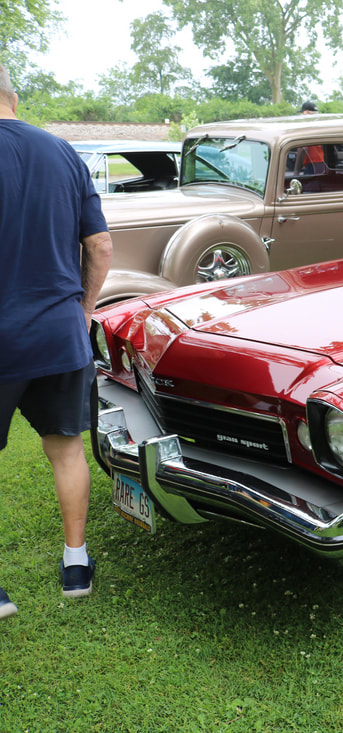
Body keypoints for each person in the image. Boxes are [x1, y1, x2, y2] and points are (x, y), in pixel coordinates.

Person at [0, 61, 113, 618]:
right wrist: (84, 311)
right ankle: (75, 565)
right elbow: (101, 247)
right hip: (58, 331)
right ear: (12, 96)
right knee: (66, 449)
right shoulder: (64, 153)